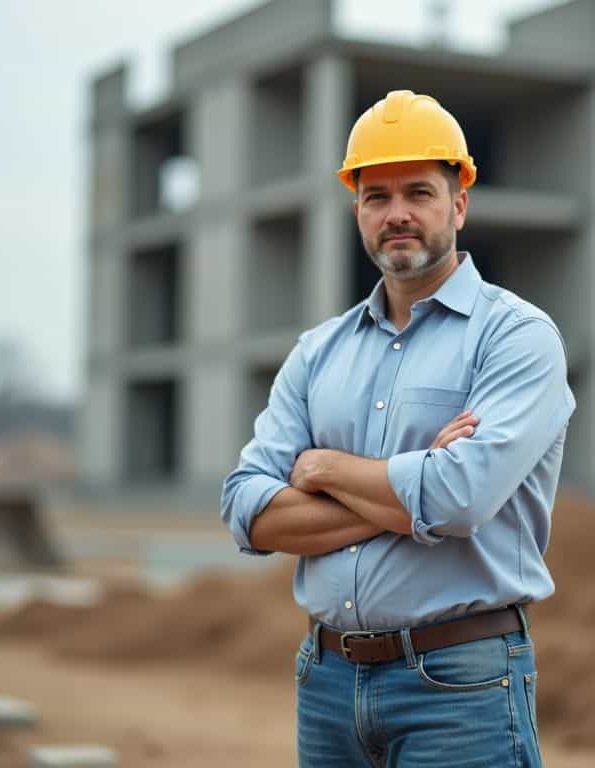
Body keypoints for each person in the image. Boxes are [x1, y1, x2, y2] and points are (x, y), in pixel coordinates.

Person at [221, 89, 574, 767]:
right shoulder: (318, 351)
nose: (398, 214)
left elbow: (461, 499)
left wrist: (323, 471)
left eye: (419, 192)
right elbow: (246, 511)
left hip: (461, 682)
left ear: (459, 204)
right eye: (376, 197)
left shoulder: (516, 338)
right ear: (357, 210)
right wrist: (416, 489)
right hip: (326, 680)